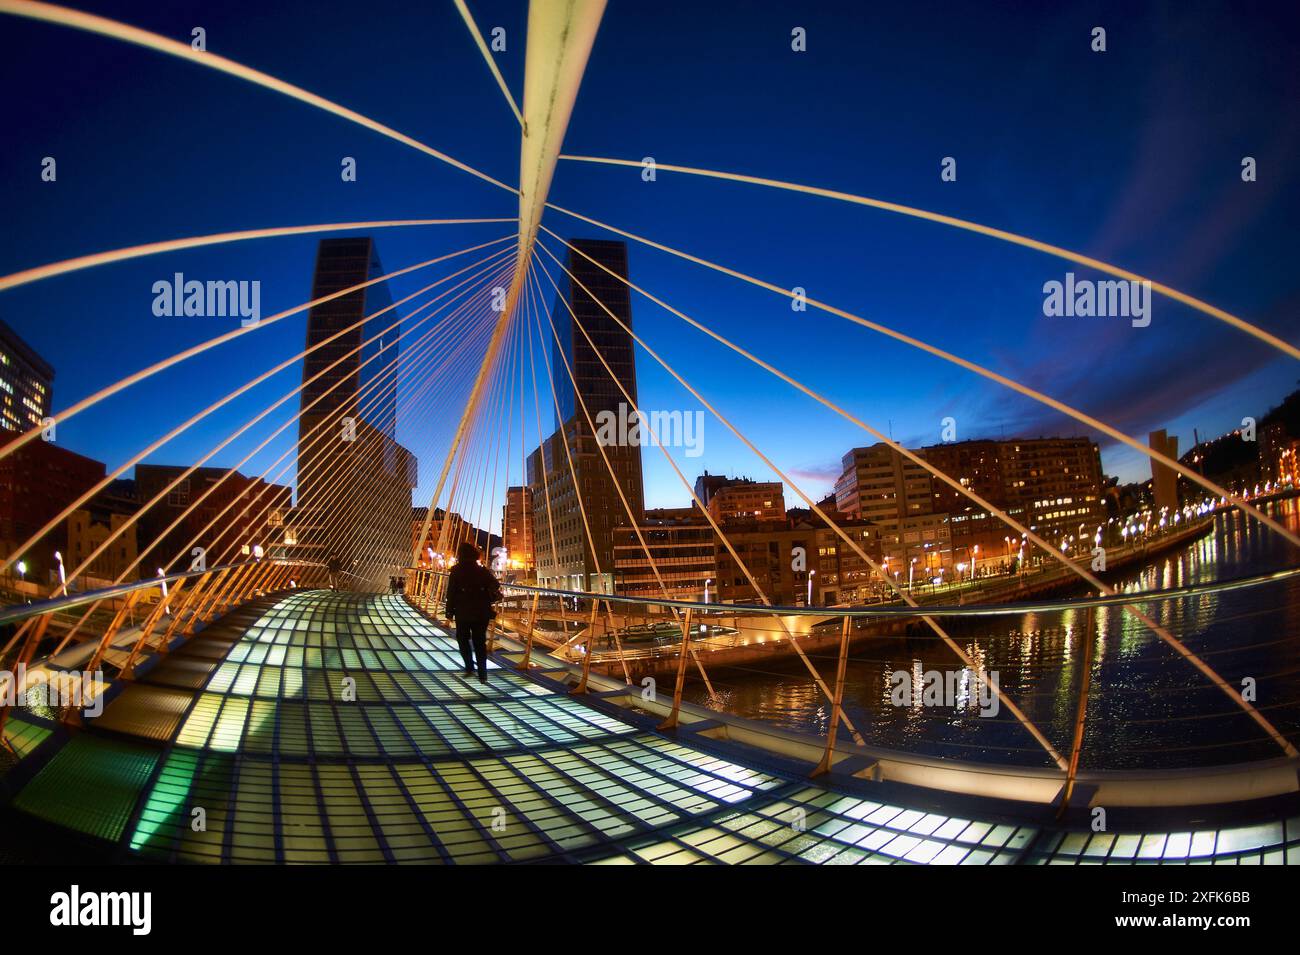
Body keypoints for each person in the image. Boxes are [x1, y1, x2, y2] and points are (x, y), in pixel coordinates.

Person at [444, 541, 502, 683]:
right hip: (481, 611)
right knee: (479, 641)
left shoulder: (456, 571)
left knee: (463, 639)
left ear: (460, 555)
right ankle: (482, 673)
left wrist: (449, 612)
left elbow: (451, 592)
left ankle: (469, 667)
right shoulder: (482, 571)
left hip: (463, 611)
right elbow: (496, 584)